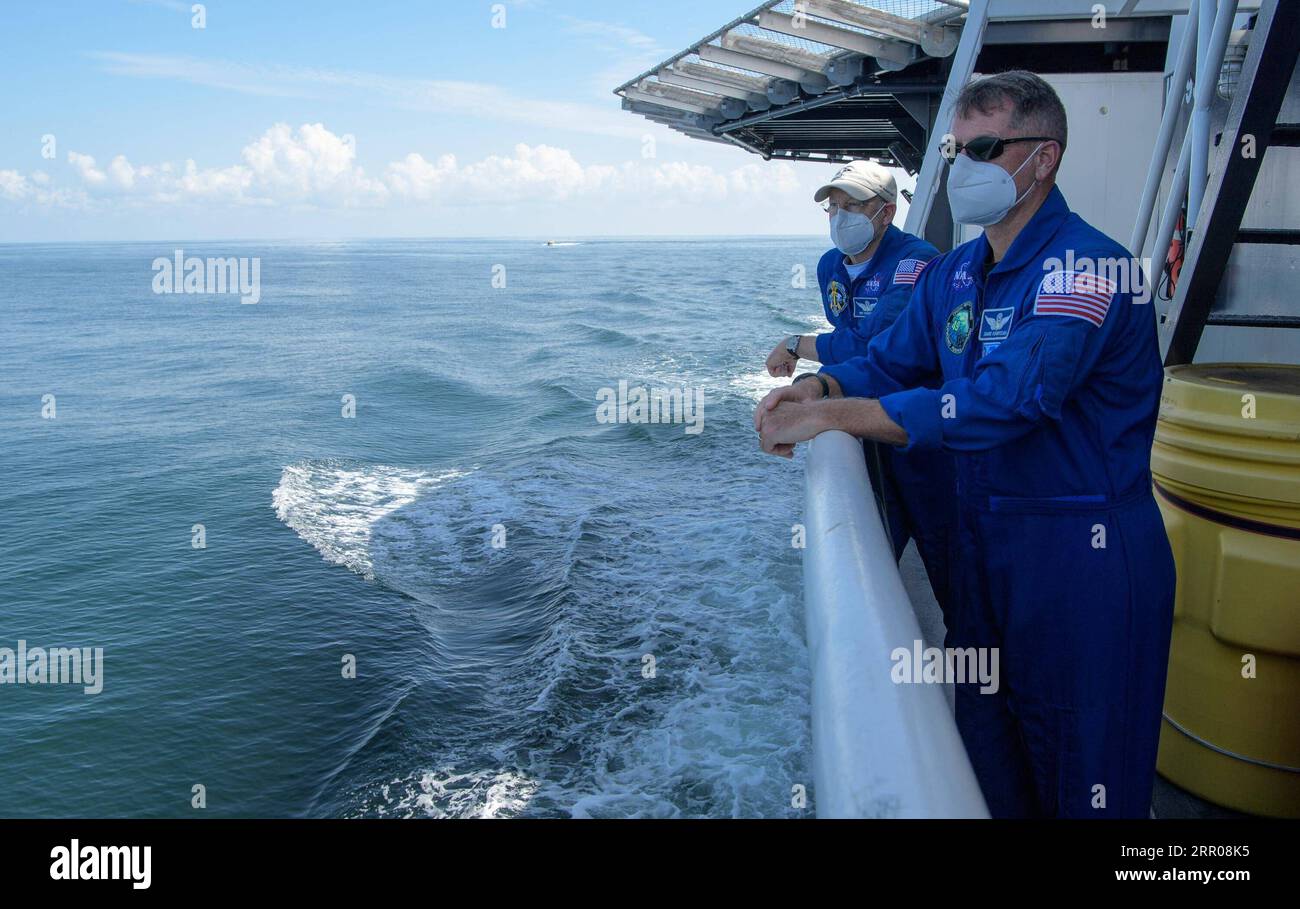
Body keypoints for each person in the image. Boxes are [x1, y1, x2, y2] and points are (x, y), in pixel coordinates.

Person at [754, 70, 1175, 818]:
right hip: (986, 553)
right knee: (986, 751)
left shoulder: (1088, 269)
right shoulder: (956, 273)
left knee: (1084, 775)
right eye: (955, 150)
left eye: (984, 148)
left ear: (1042, 159)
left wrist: (841, 418)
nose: (962, 168)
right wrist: (820, 388)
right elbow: (889, 359)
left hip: (1082, 567)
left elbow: (1011, 397)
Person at [766, 161, 953, 614]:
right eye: (833, 207)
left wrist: (798, 345)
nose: (839, 216)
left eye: (853, 206)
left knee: (946, 551)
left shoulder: (916, 262)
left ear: (885, 214)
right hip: (858, 415)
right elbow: (853, 340)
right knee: (872, 542)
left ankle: (969, 654)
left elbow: (876, 342)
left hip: (918, 432)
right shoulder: (830, 266)